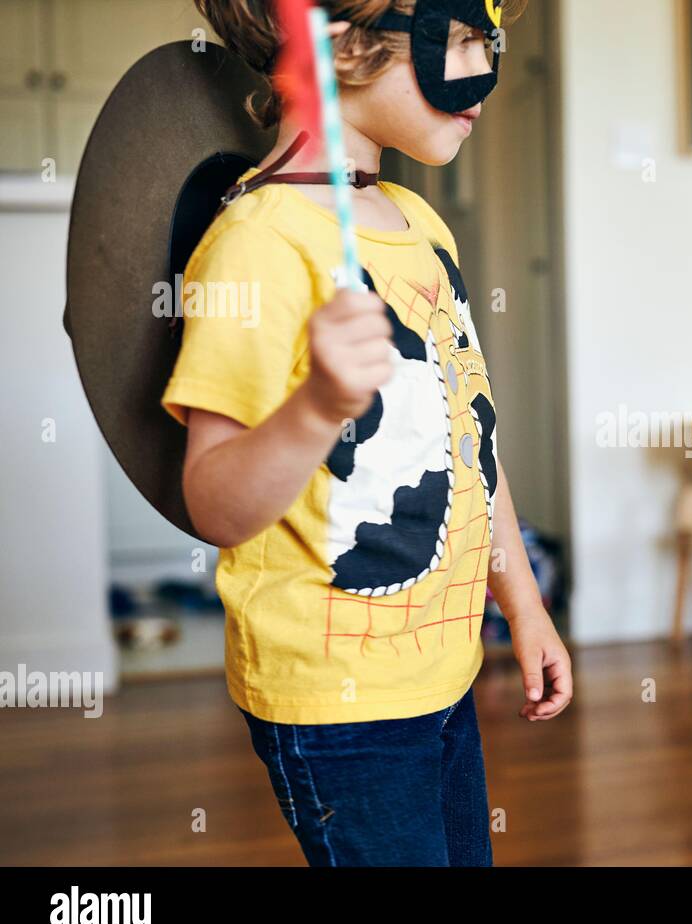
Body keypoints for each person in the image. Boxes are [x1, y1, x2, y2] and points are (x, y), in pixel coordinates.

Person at [161, 0, 571, 866]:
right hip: (336, 705)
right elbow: (213, 502)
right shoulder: (257, 245)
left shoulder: (422, 227)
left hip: (443, 669)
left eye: (488, 42)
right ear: (341, 44)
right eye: (461, 37)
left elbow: (470, 443)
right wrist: (314, 408)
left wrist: (522, 600)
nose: (482, 72)